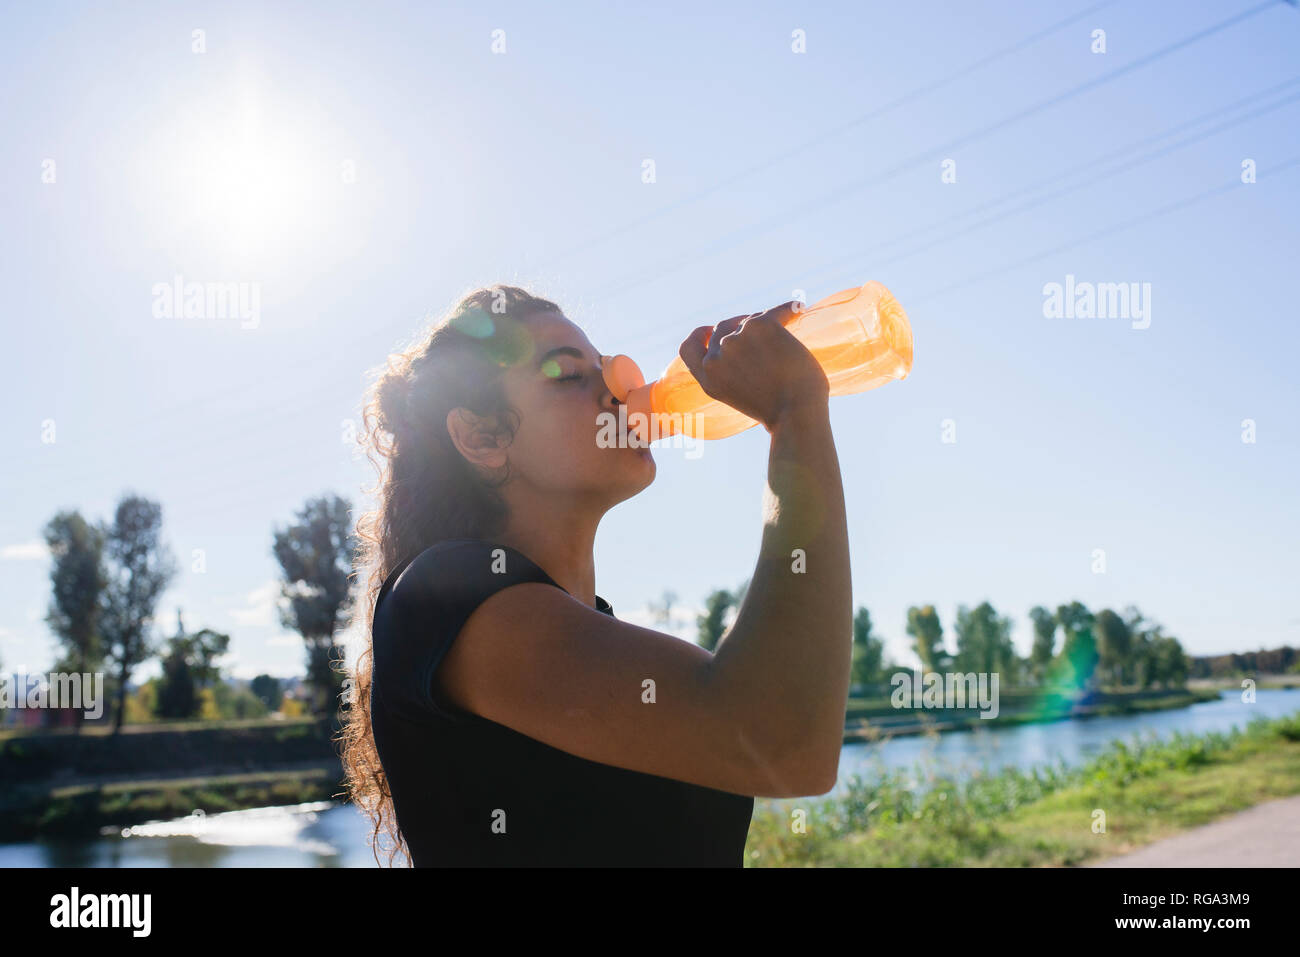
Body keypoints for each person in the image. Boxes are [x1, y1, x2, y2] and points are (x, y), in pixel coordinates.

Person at [340, 284, 852, 866]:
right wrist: (795, 414)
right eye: (567, 375)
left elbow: (783, 743)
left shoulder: (592, 630)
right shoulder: (445, 597)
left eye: (607, 368)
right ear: (482, 437)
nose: (619, 390)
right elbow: (781, 742)